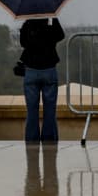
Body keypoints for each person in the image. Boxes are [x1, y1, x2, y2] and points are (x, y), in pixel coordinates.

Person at [18, 15, 66, 143]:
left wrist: (25, 22)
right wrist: (54, 17)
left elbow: (22, 42)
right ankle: (49, 140)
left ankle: (31, 140)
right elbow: (61, 35)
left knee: (32, 111)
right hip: (49, 69)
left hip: (31, 70)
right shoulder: (50, 26)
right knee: (50, 111)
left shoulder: (28, 24)